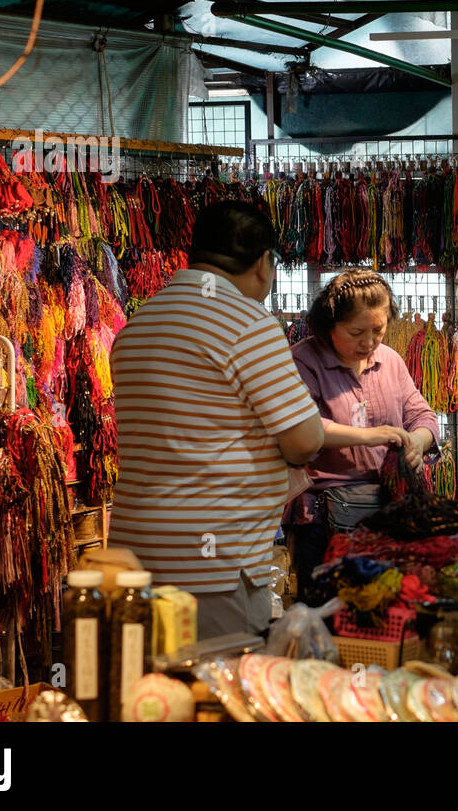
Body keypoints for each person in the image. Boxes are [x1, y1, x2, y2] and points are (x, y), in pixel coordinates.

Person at [108, 201, 324, 638]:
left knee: (150, 696)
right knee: (213, 693)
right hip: (213, 568)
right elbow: (305, 440)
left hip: (134, 557)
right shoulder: (248, 324)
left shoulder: (138, 323)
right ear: (264, 263)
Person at [284, 269, 440, 597]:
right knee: (328, 608)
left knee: (388, 603)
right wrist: (375, 434)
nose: (368, 343)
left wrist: (417, 441)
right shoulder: (303, 360)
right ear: (329, 325)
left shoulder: (390, 361)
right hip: (324, 517)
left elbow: (423, 415)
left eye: (378, 331)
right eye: (356, 332)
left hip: (389, 509)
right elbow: (303, 426)